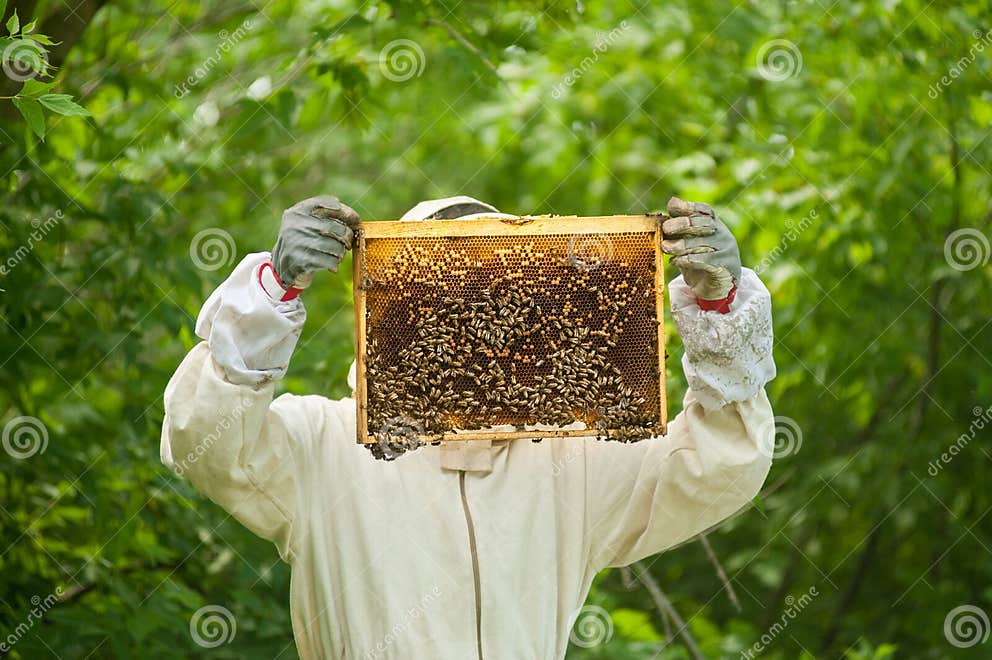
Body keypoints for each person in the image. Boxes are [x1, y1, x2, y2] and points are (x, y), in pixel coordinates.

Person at [161, 194, 776, 659]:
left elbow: (720, 466)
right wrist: (273, 290)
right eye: (447, 294)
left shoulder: (574, 465)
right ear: (398, 309)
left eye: (491, 296)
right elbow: (205, 443)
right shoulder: (323, 447)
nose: (470, 315)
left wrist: (720, 308)